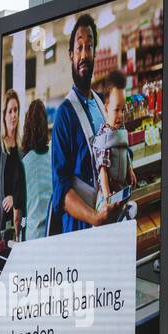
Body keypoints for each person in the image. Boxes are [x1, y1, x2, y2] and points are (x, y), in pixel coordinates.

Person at [49, 13, 112, 235]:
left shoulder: (99, 103)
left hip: (107, 225)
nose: (84, 54)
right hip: (80, 233)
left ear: (95, 53)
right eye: (79, 48)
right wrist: (94, 217)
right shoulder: (64, 115)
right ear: (71, 56)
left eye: (89, 47)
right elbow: (61, 189)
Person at [92, 81, 136, 221]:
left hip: (121, 185)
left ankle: (124, 212)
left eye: (123, 110)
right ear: (106, 109)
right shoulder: (105, 136)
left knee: (122, 206)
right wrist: (107, 196)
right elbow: (102, 170)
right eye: (116, 110)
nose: (121, 115)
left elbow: (125, 152)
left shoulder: (121, 130)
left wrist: (130, 170)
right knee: (111, 215)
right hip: (109, 189)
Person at [20, 98, 53, 241]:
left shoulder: (23, 164)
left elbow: (19, 214)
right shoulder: (54, 155)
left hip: (33, 237)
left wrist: (18, 234)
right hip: (55, 233)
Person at [0, 89, 25, 259]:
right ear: (4, 115)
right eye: (10, 111)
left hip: (20, 218)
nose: (14, 115)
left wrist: (15, 198)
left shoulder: (22, 146)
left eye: (16, 110)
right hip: (3, 221)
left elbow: (24, 182)